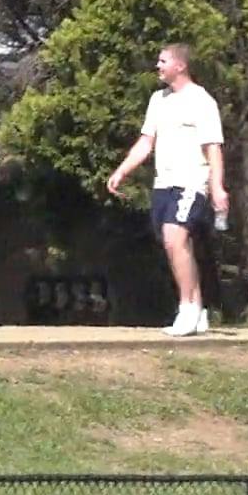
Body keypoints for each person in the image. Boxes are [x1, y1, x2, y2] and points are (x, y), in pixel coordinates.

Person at [101, 44, 227, 337]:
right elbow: (147, 142)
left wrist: (217, 187)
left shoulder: (201, 100)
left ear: (180, 66)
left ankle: (186, 309)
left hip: (191, 181)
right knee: (178, 247)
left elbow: (213, 147)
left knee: (175, 238)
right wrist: (122, 170)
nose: (157, 66)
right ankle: (197, 308)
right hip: (163, 184)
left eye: (163, 61)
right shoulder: (158, 100)